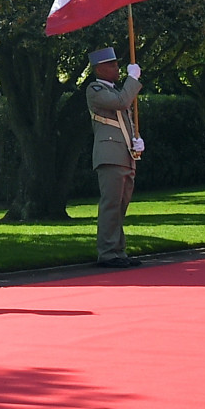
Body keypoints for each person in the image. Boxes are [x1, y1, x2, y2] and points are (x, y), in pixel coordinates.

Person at [84, 47, 144, 265]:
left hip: (125, 154)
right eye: (111, 65)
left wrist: (136, 140)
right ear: (99, 69)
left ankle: (118, 251)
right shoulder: (96, 88)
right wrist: (132, 79)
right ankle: (108, 253)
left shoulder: (115, 90)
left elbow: (123, 119)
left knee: (120, 207)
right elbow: (121, 102)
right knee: (111, 205)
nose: (116, 68)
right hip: (110, 155)